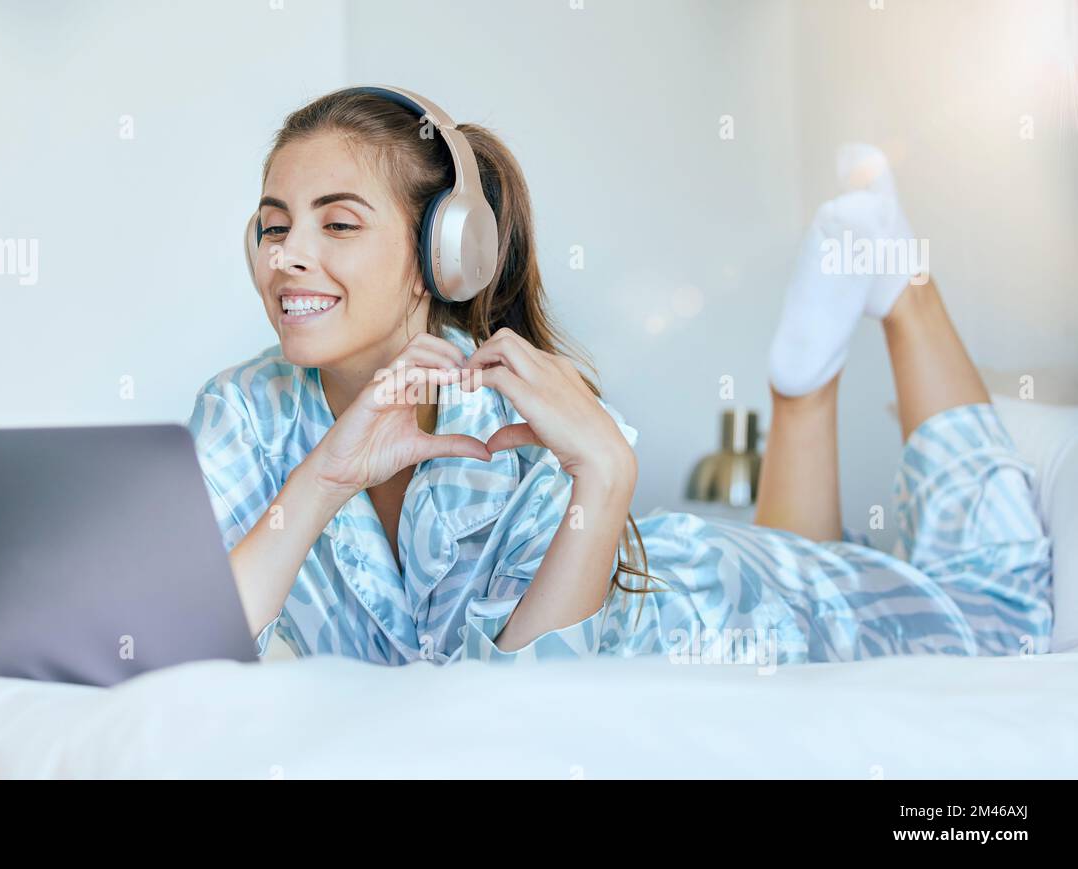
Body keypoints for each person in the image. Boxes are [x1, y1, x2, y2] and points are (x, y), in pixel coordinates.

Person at [187, 88, 1053, 666]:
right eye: (272, 227)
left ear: (437, 258)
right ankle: (803, 386)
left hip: (710, 618)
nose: (288, 257)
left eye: (337, 224)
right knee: (815, 560)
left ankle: (901, 280)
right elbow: (185, 643)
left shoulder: (503, 414)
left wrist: (604, 473)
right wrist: (323, 478)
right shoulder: (244, 409)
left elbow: (532, 699)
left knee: (1005, 618)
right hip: (721, 582)